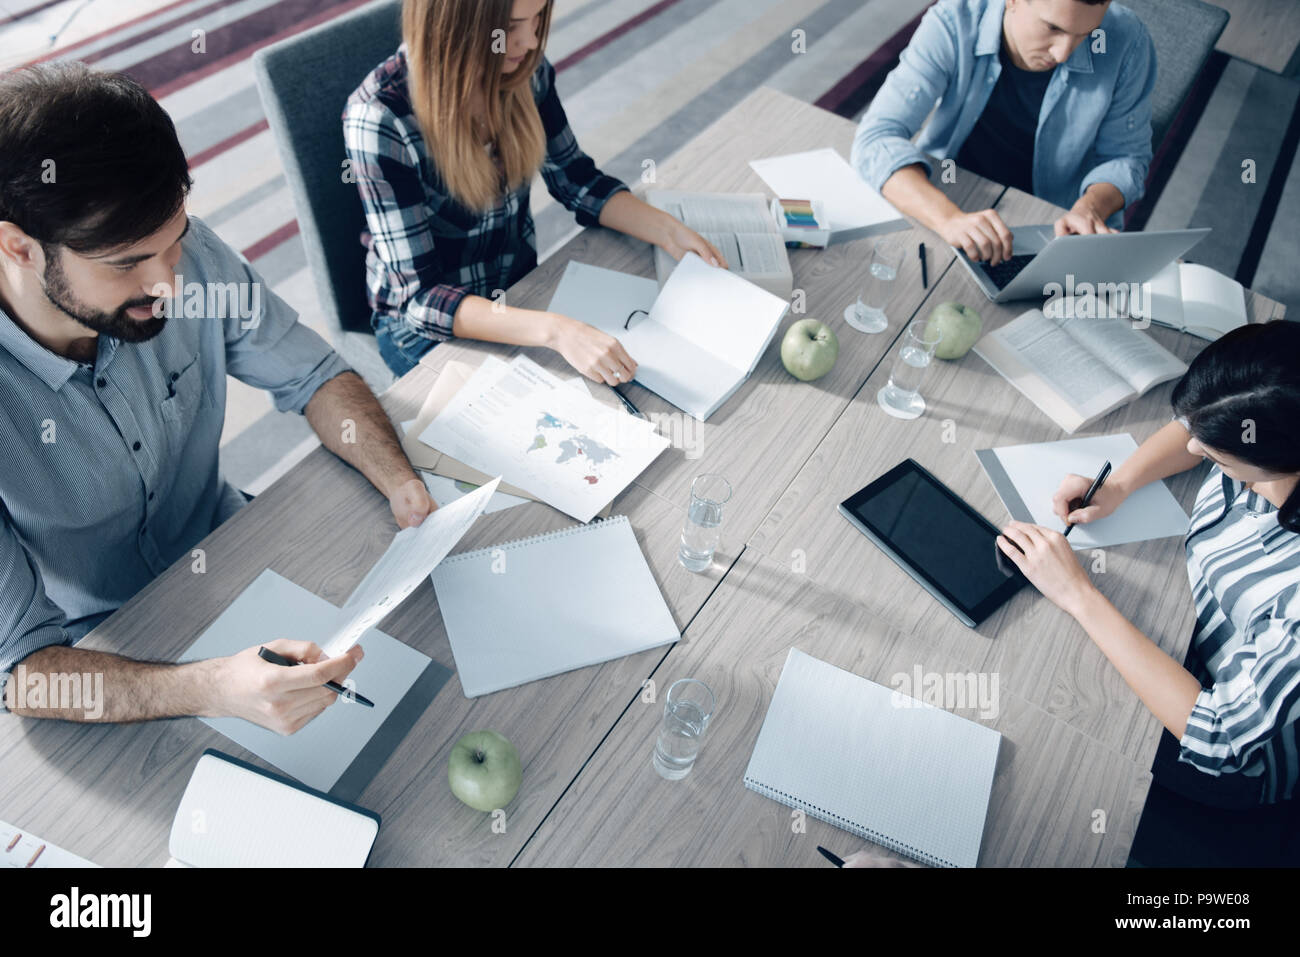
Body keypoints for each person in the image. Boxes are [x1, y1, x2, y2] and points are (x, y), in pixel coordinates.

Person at [0, 63, 438, 732]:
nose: (170, 284)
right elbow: (23, 672)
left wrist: (399, 479)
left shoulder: (179, 253)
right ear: (19, 248)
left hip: (236, 548)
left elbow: (315, 375)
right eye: (126, 264)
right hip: (99, 651)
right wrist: (212, 687)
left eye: (173, 243)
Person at [995, 321, 1300, 809]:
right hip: (1182, 618)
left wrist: (1078, 594)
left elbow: (1216, 738)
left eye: (1216, 457)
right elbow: (1197, 429)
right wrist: (1120, 484)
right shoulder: (1271, 416)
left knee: (1039, 725)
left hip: (1227, 745)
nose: (1194, 449)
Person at [344, 0, 726, 381]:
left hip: (519, 291)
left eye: (538, 18)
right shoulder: (380, 119)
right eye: (511, 26)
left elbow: (577, 180)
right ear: (453, 26)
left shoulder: (524, 69)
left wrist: (669, 231)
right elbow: (421, 300)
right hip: (430, 331)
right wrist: (557, 331)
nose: (529, 41)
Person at [851, 0, 1157, 266]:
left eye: (1085, 34)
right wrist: (949, 219)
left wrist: (1090, 208)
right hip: (950, 195)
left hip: (1057, 223)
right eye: (1052, 28)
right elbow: (876, 138)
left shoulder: (1127, 41)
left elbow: (1126, 157)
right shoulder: (954, 20)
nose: (1063, 53)